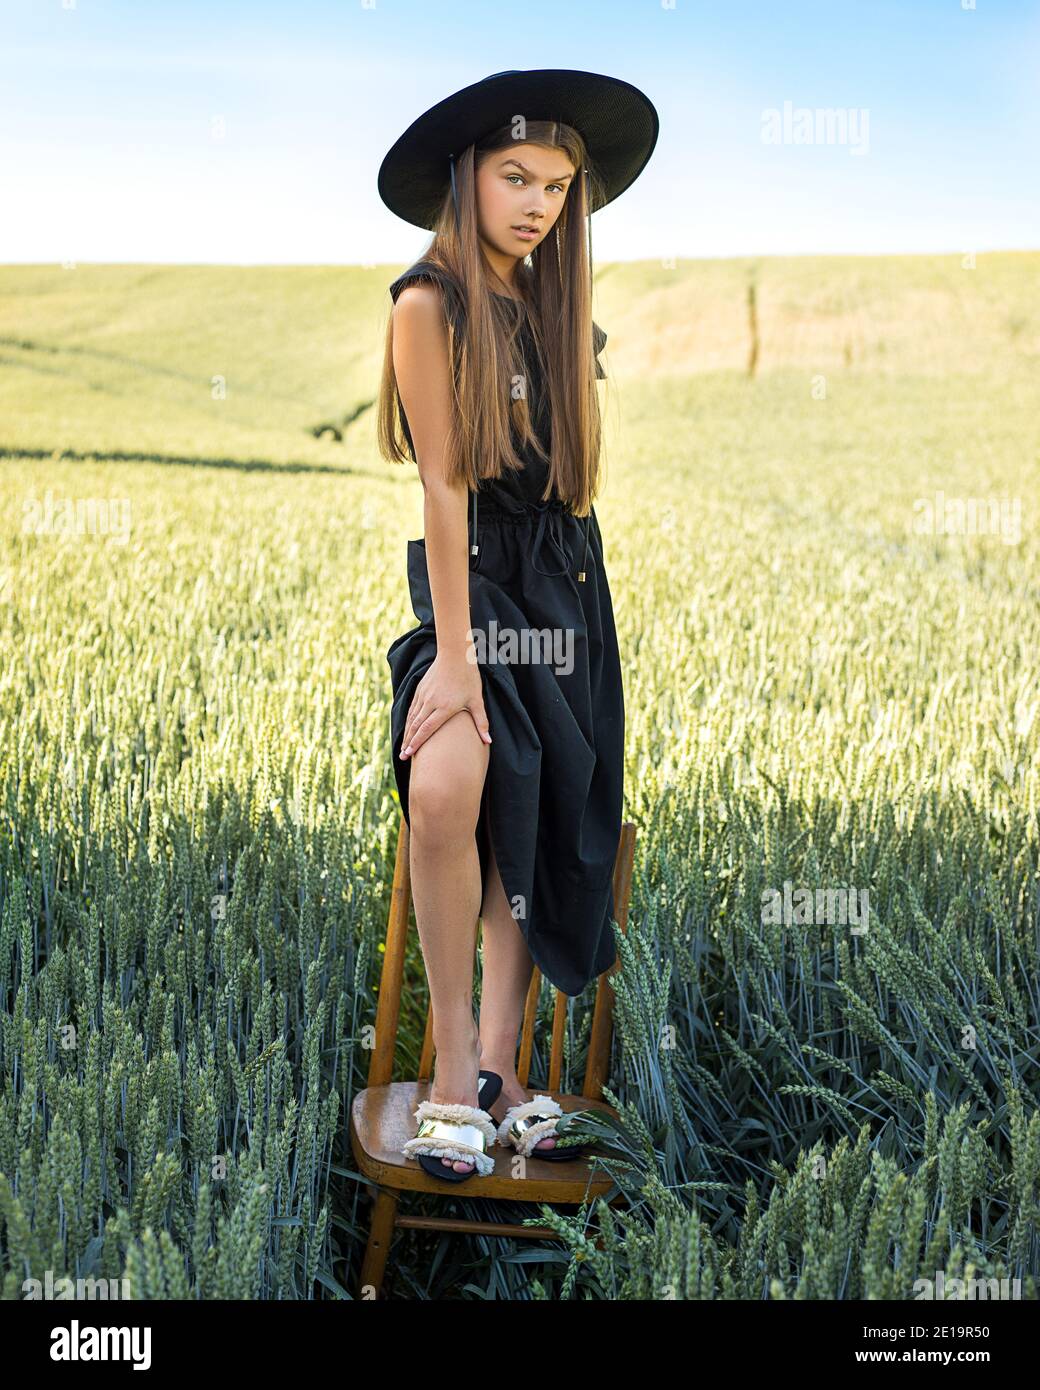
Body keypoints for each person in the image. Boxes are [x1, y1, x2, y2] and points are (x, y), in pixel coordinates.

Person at [375, 69, 658, 1182]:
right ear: (468, 177)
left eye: (556, 185)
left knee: (535, 806)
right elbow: (442, 491)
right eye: (514, 177)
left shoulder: (556, 316)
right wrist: (452, 656)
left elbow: (569, 490)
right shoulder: (426, 304)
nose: (537, 202)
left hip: (566, 597)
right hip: (473, 591)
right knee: (448, 783)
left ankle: (501, 1068)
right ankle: (450, 1067)